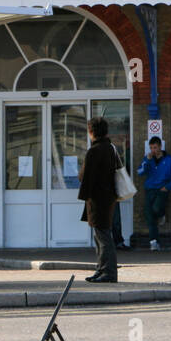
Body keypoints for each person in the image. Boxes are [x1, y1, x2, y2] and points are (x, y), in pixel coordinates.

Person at [79, 116, 119, 283]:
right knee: (102, 236)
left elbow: (85, 176)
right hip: (108, 198)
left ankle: (107, 272)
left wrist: (83, 192)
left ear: (92, 132)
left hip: (97, 200)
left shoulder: (94, 151)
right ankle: (101, 269)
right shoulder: (110, 148)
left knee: (103, 237)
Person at [136, 136, 171, 251]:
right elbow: (140, 172)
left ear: (160, 146)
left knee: (156, 209)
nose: (153, 150)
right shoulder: (148, 159)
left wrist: (168, 187)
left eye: (155, 147)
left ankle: (161, 214)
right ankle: (154, 242)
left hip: (162, 190)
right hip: (149, 189)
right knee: (149, 216)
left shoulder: (169, 160)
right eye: (151, 148)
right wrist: (146, 161)